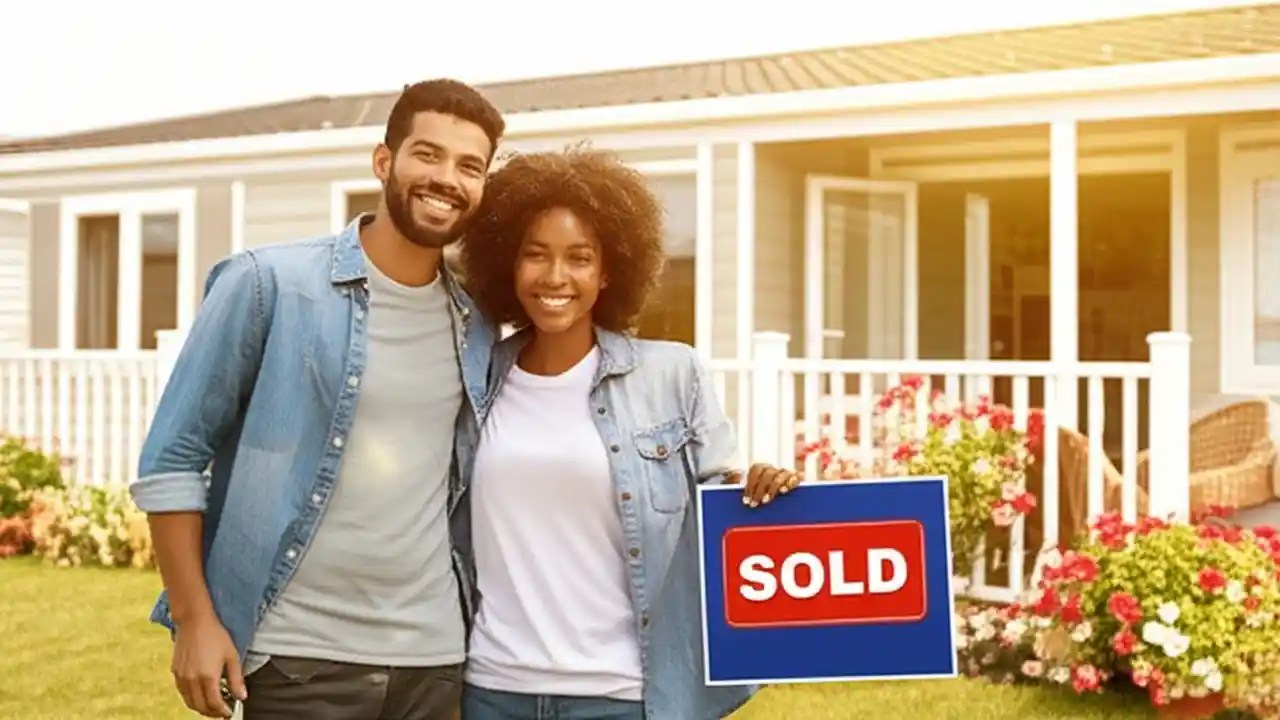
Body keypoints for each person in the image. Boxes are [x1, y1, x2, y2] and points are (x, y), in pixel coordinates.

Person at [130, 78, 505, 720]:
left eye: (470, 166)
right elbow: (173, 459)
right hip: (301, 659)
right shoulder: (265, 285)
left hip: (436, 660)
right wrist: (194, 619)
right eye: (428, 154)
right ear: (383, 162)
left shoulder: (476, 325)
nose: (447, 178)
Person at [455, 148, 801, 720]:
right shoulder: (476, 379)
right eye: (535, 255)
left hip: (619, 695)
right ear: (508, 265)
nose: (556, 277)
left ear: (608, 269)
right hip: (493, 689)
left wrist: (762, 489)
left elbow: (719, 505)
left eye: (579, 258)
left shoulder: (671, 374)